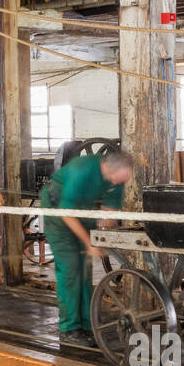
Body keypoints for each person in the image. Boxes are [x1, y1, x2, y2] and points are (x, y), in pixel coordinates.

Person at [39, 148, 135, 347]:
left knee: (86, 269)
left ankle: (87, 323)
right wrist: (88, 242)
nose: (119, 183)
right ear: (109, 168)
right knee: (70, 268)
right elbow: (66, 213)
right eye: (118, 179)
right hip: (59, 213)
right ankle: (69, 329)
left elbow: (110, 209)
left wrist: (104, 230)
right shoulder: (81, 170)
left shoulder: (116, 178)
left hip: (84, 212)